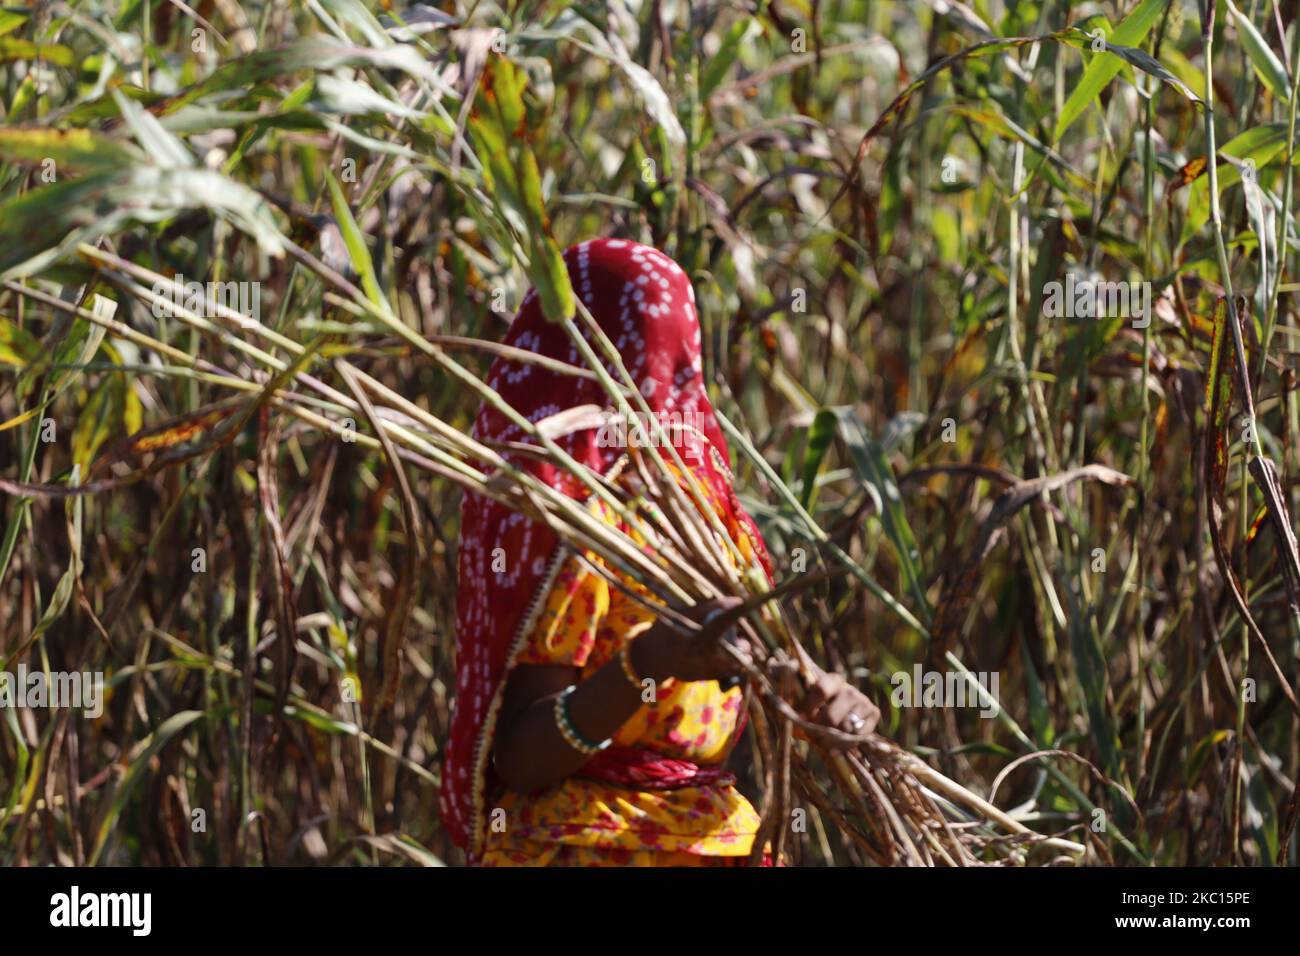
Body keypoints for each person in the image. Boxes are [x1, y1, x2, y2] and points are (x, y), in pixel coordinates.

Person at [441, 238, 878, 865]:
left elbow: (759, 669)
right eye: (644, 350)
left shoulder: (713, 515)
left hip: (714, 840)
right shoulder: (565, 518)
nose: (663, 379)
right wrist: (642, 664)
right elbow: (520, 756)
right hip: (580, 847)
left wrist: (822, 696)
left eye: (678, 357)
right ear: (580, 358)